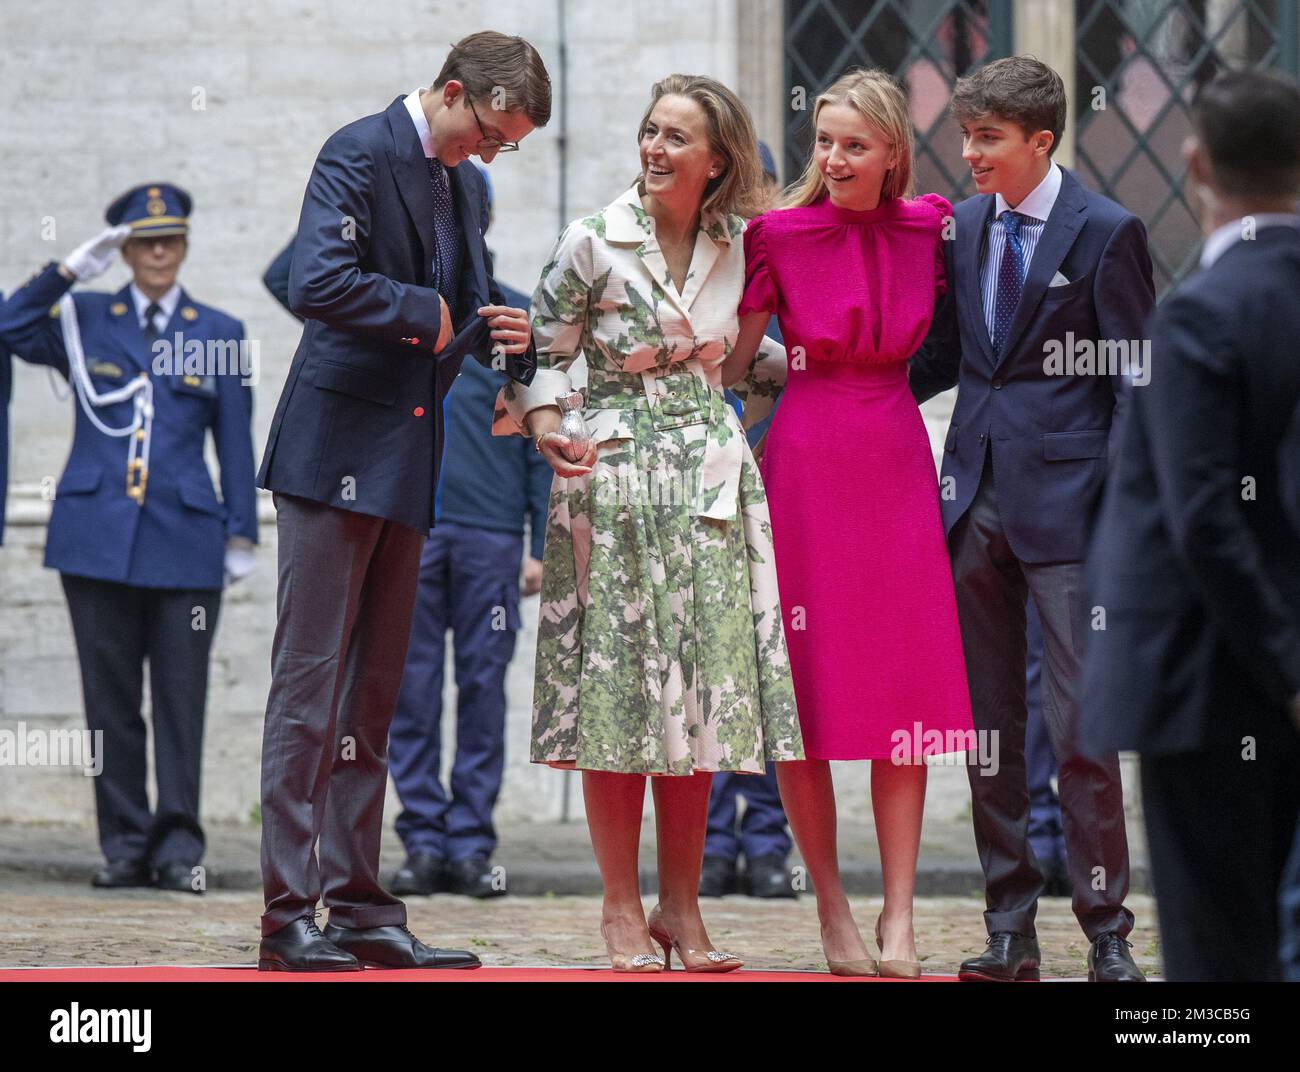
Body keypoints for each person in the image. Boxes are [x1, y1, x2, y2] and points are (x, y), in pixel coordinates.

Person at [492, 74, 802, 973]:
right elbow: (538, 357)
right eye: (649, 132)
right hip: (614, 480)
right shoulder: (591, 240)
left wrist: (831, 373)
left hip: (711, 477)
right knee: (619, 701)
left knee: (700, 697)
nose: (656, 149)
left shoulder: (743, 245)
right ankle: (621, 912)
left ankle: (682, 907)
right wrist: (549, 428)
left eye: (677, 138)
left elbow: (752, 358)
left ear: (718, 160)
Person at [255, 31, 549, 973]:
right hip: (333, 450)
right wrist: (427, 316)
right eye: (490, 134)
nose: (492, 155)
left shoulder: (460, 184)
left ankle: (360, 904)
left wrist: (502, 334)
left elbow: (457, 314)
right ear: (455, 91)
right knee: (311, 692)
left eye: (508, 146)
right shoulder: (359, 149)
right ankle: (285, 915)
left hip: (408, 462)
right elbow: (317, 282)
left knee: (372, 700)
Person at [909, 55, 1152, 983]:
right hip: (971, 504)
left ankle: (1109, 936)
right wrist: (810, 373)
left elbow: (1135, 379)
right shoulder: (963, 227)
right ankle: (1009, 930)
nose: (969, 153)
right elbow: (943, 359)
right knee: (988, 734)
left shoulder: (1109, 230)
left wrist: (1124, 514)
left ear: (1040, 141)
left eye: (988, 139)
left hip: (1074, 517)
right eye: (967, 135)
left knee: (1084, 731)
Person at [726, 68, 972, 979]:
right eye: (824, 141)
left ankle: (901, 916)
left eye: (853, 145)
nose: (832, 159)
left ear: (892, 154)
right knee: (810, 696)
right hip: (806, 463)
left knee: (900, 697)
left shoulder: (931, 226)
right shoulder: (776, 234)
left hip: (898, 461)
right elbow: (737, 365)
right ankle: (831, 908)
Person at [1081, 68, 1300, 983]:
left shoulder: (1204, 312)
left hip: (1210, 678)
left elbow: (1202, 516)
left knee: (1213, 964)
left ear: (1195, 162)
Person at [0, 183, 258, 893]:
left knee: (180, 698)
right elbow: (9, 326)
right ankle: (123, 841)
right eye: (143, 243)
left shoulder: (219, 331)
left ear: (184, 246)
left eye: (169, 241)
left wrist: (242, 531)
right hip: (95, 537)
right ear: (124, 250)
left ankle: (178, 846)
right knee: (107, 700)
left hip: (185, 540)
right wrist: (69, 271)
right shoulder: (85, 316)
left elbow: (235, 441)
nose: (158, 253)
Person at [387, 167, 551, 899]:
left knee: (482, 688)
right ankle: (421, 838)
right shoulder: (395, 306)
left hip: (488, 535)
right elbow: (287, 276)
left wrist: (542, 545)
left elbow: (542, 435)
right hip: (409, 528)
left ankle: (472, 840)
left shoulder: (511, 318)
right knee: (411, 689)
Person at [705, 139, 797, 901]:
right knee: (702, 668)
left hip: (776, 488)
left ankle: (767, 839)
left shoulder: (785, 268)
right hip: (699, 495)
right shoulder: (688, 269)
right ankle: (705, 842)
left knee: (772, 673)